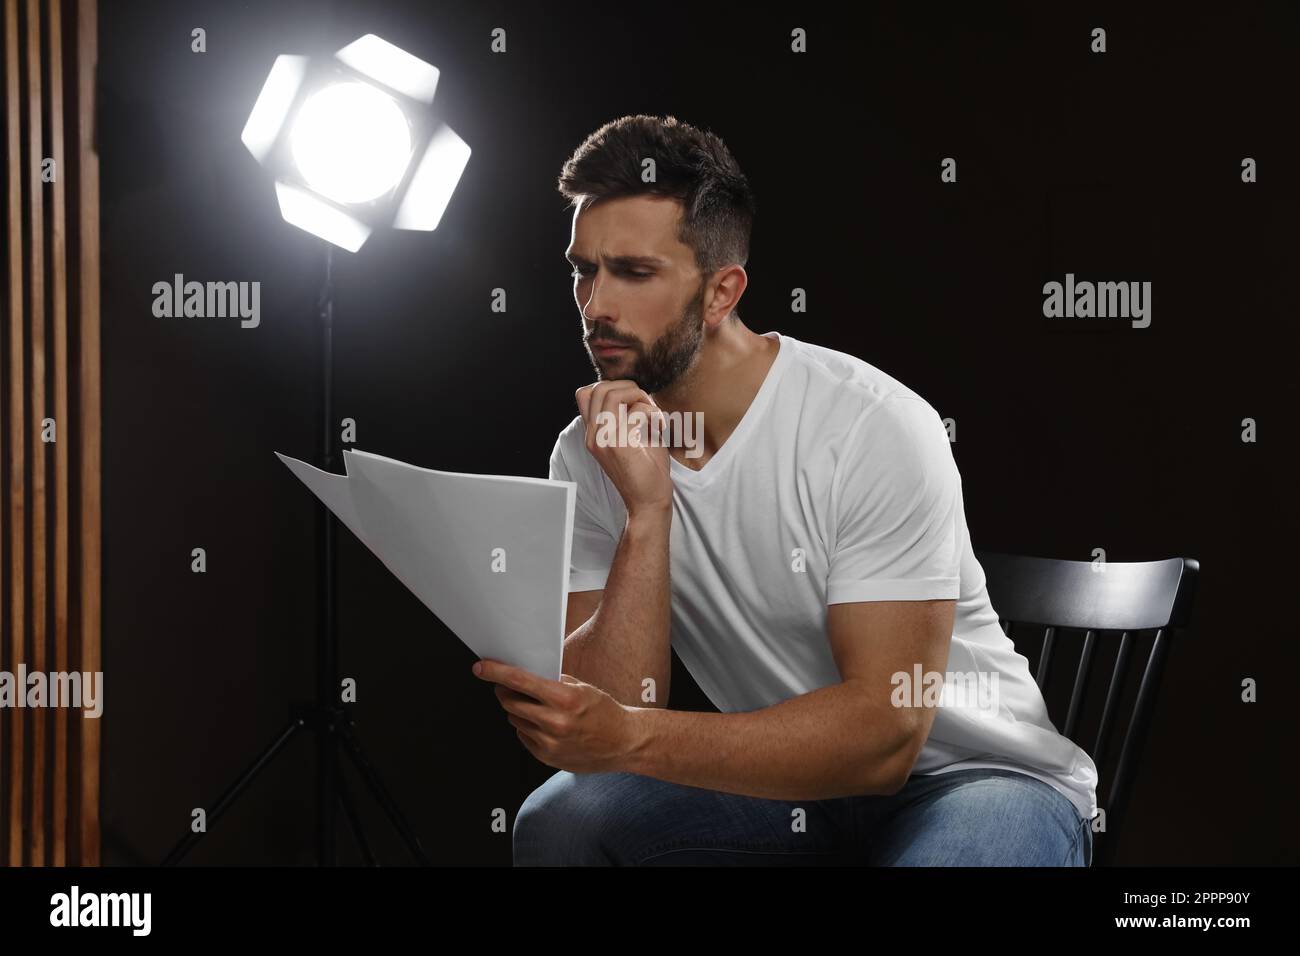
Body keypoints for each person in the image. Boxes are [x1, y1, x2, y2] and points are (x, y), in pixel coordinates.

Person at [471, 114, 1097, 865]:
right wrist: (647, 512)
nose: (595, 304)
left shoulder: (870, 426)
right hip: (791, 795)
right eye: (583, 269)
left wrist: (631, 735)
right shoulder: (591, 453)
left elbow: (883, 740)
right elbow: (603, 722)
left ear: (721, 291)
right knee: (563, 822)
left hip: (977, 780)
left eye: (633, 273)